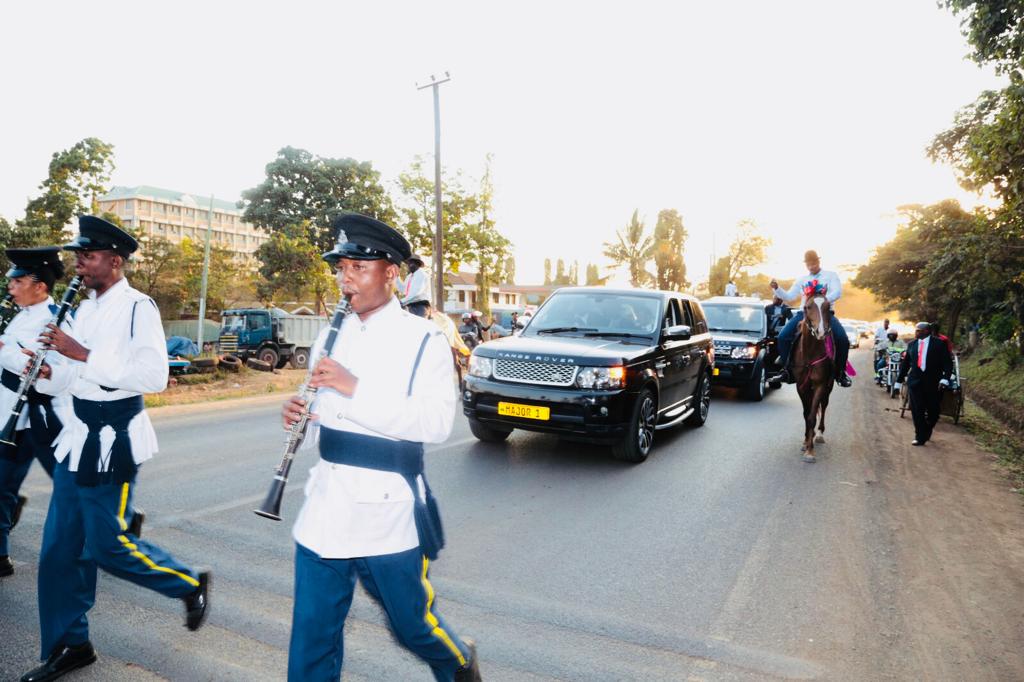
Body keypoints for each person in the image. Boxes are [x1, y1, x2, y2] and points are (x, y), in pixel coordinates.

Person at [281, 213, 480, 682]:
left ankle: (457, 661)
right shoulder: (333, 334)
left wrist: (354, 388)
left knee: (412, 626)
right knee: (311, 635)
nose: (345, 279)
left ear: (391, 272)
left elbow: (435, 424)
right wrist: (300, 419)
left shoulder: (424, 338)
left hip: (387, 512)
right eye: (341, 268)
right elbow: (324, 419)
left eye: (357, 268)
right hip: (326, 508)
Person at [22, 216, 210, 682]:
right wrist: (52, 373)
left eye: (87, 255)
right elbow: (77, 378)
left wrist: (81, 354)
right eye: (78, 254)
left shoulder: (136, 306)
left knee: (107, 548)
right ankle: (72, 643)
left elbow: (154, 378)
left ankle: (188, 583)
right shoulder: (82, 308)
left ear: (115, 260)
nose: (78, 262)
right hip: (78, 435)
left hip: (113, 438)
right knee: (59, 552)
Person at [0, 248, 68, 578]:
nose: (10, 286)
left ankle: (122, 519)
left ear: (39, 286)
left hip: (38, 419)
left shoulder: (54, 319)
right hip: (11, 417)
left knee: (71, 484)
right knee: (2, 486)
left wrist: (6, 352)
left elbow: (44, 369)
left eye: (18, 281)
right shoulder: (21, 314)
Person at [769, 249, 852, 387]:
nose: (811, 266)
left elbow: (837, 292)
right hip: (804, 314)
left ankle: (841, 373)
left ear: (818, 262)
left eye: (813, 263)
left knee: (843, 339)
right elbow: (789, 296)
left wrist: (821, 301)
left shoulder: (830, 276)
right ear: (806, 264)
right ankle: (787, 370)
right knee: (783, 336)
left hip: (825, 313)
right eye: (808, 264)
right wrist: (777, 289)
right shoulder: (802, 280)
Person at [896, 322, 953, 446]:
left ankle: (927, 428)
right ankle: (919, 436)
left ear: (926, 331)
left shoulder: (939, 344)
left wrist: (945, 378)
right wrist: (898, 380)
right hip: (915, 382)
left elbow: (948, 363)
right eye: (916, 330)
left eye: (918, 330)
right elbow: (905, 364)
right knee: (917, 410)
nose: (916, 332)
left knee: (934, 411)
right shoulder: (912, 345)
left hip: (934, 383)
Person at [399, 253, 432, 318]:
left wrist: (401, 301)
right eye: (408, 264)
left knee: (419, 325)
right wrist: (396, 277)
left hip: (420, 305)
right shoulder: (409, 276)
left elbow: (416, 292)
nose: (409, 265)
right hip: (410, 305)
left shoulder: (421, 274)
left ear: (417, 264)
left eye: (411, 263)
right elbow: (403, 290)